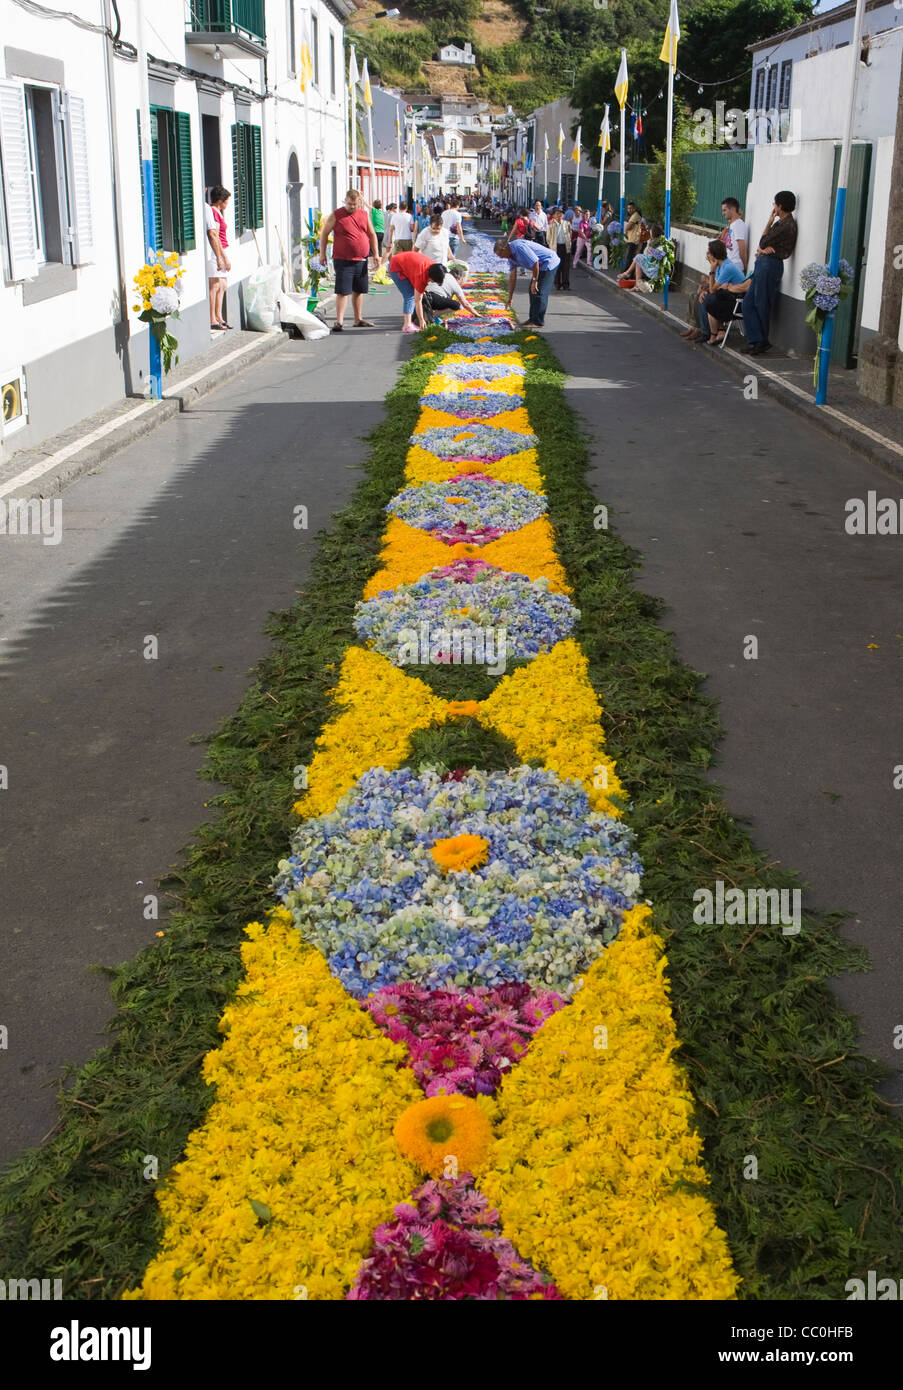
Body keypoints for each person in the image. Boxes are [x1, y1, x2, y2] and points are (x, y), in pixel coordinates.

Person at [740, 190, 798, 355]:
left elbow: (763, 241)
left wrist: (768, 223)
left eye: (774, 204)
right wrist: (762, 248)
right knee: (748, 303)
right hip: (764, 263)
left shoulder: (787, 225)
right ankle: (755, 339)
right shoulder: (781, 223)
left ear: (780, 206)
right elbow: (763, 245)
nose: (773, 207)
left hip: (770, 265)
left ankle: (762, 341)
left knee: (761, 303)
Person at [318, 188, 379, 332]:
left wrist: (376, 253)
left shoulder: (364, 215)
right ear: (345, 200)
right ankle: (339, 321)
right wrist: (322, 254)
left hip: (361, 259)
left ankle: (358, 319)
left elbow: (372, 234)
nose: (352, 207)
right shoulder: (337, 215)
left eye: (355, 204)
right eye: (350, 204)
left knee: (358, 290)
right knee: (343, 291)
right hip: (343, 259)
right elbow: (324, 234)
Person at [683, 240, 746, 343]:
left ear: (714, 255)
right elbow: (714, 286)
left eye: (708, 253)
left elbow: (713, 289)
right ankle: (697, 328)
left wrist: (712, 269)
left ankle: (706, 332)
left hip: (736, 302)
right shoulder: (721, 266)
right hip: (727, 297)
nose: (707, 255)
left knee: (706, 299)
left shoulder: (727, 267)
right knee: (697, 295)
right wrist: (706, 289)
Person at [494, 236, 560, 328]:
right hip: (540, 265)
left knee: (539, 291)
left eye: (500, 255)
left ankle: (538, 322)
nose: (501, 258)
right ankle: (532, 319)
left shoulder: (519, 247)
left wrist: (535, 281)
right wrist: (510, 297)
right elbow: (513, 277)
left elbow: (535, 262)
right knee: (532, 290)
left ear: (504, 249)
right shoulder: (510, 257)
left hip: (549, 262)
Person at [388, 248, 445, 333]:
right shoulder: (421, 276)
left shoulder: (434, 267)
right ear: (430, 277)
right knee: (409, 296)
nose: (432, 282)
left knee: (418, 294)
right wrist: (422, 320)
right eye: (433, 281)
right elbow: (417, 300)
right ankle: (407, 325)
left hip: (403, 261)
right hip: (396, 267)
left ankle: (411, 318)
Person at [205, 186, 232, 330]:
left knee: (222, 285)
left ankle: (219, 316)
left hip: (220, 252)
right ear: (220, 201)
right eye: (226, 202)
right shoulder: (213, 214)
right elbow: (215, 236)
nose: (227, 205)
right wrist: (222, 257)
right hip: (216, 252)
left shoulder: (217, 213)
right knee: (215, 285)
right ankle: (212, 319)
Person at [616, 223, 667, 289]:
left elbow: (659, 256)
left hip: (655, 267)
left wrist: (651, 251)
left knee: (638, 257)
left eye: (650, 232)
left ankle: (628, 274)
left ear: (653, 233)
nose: (650, 233)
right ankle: (636, 284)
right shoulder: (652, 241)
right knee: (638, 260)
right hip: (651, 263)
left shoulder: (661, 242)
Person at [721, 197, 749, 273]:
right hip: (729, 265)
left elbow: (742, 247)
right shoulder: (733, 225)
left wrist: (745, 267)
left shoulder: (738, 224)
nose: (723, 213)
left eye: (724, 210)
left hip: (735, 266)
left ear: (732, 209)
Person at [548, 207, 572, 290]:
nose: (559, 215)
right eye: (557, 213)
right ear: (554, 215)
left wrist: (569, 243)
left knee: (566, 267)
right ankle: (557, 284)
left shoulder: (567, 223)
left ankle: (566, 284)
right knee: (557, 267)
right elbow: (548, 238)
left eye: (561, 213)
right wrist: (551, 247)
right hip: (556, 248)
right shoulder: (551, 224)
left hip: (565, 247)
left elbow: (570, 234)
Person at [623, 201, 642, 270]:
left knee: (629, 257)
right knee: (629, 257)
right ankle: (628, 273)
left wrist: (626, 229)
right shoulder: (633, 216)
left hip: (633, 240)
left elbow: (628, 227)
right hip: (631, 239)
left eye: (631, 208)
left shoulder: (635, 215)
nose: (629, 210)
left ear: (634, 209)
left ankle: (626, 274)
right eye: (628, 208)